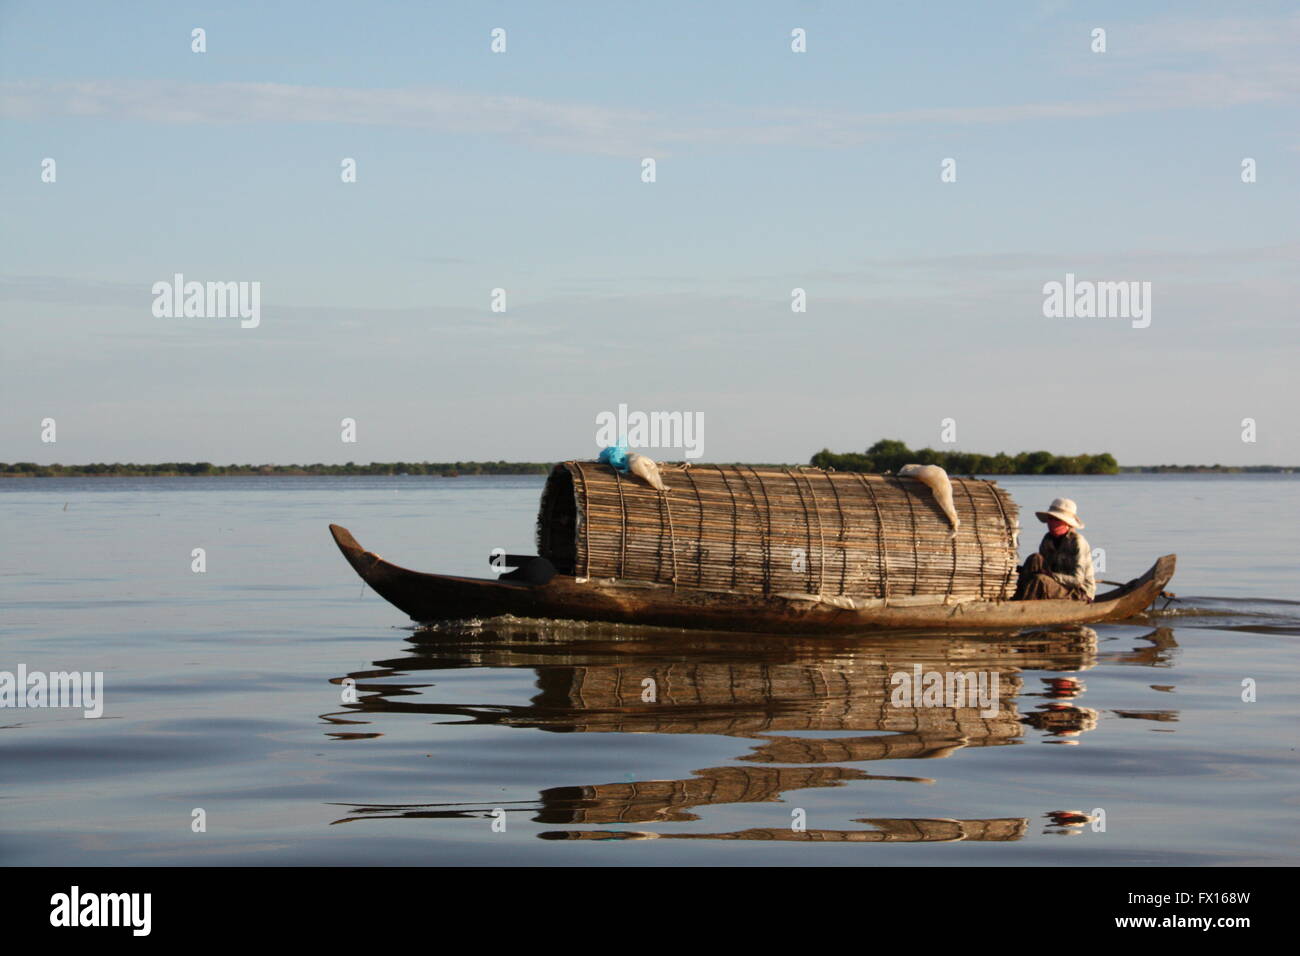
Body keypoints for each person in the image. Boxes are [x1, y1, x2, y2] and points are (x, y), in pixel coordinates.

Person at [1013, 497, 1095, 602]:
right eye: (1050, 519)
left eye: (1056, 520)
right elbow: (1042, 566)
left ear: (1067, 523)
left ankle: (1023, 604)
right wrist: (1024, 570)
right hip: (1056, 585)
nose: (1051, 523)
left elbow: (1077, 580)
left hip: (1077, 591)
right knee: (1034, 558)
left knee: (1040, 580)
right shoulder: (1047, 539)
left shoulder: (1078, 542)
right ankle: (1018, 598)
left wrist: (1050, 575)